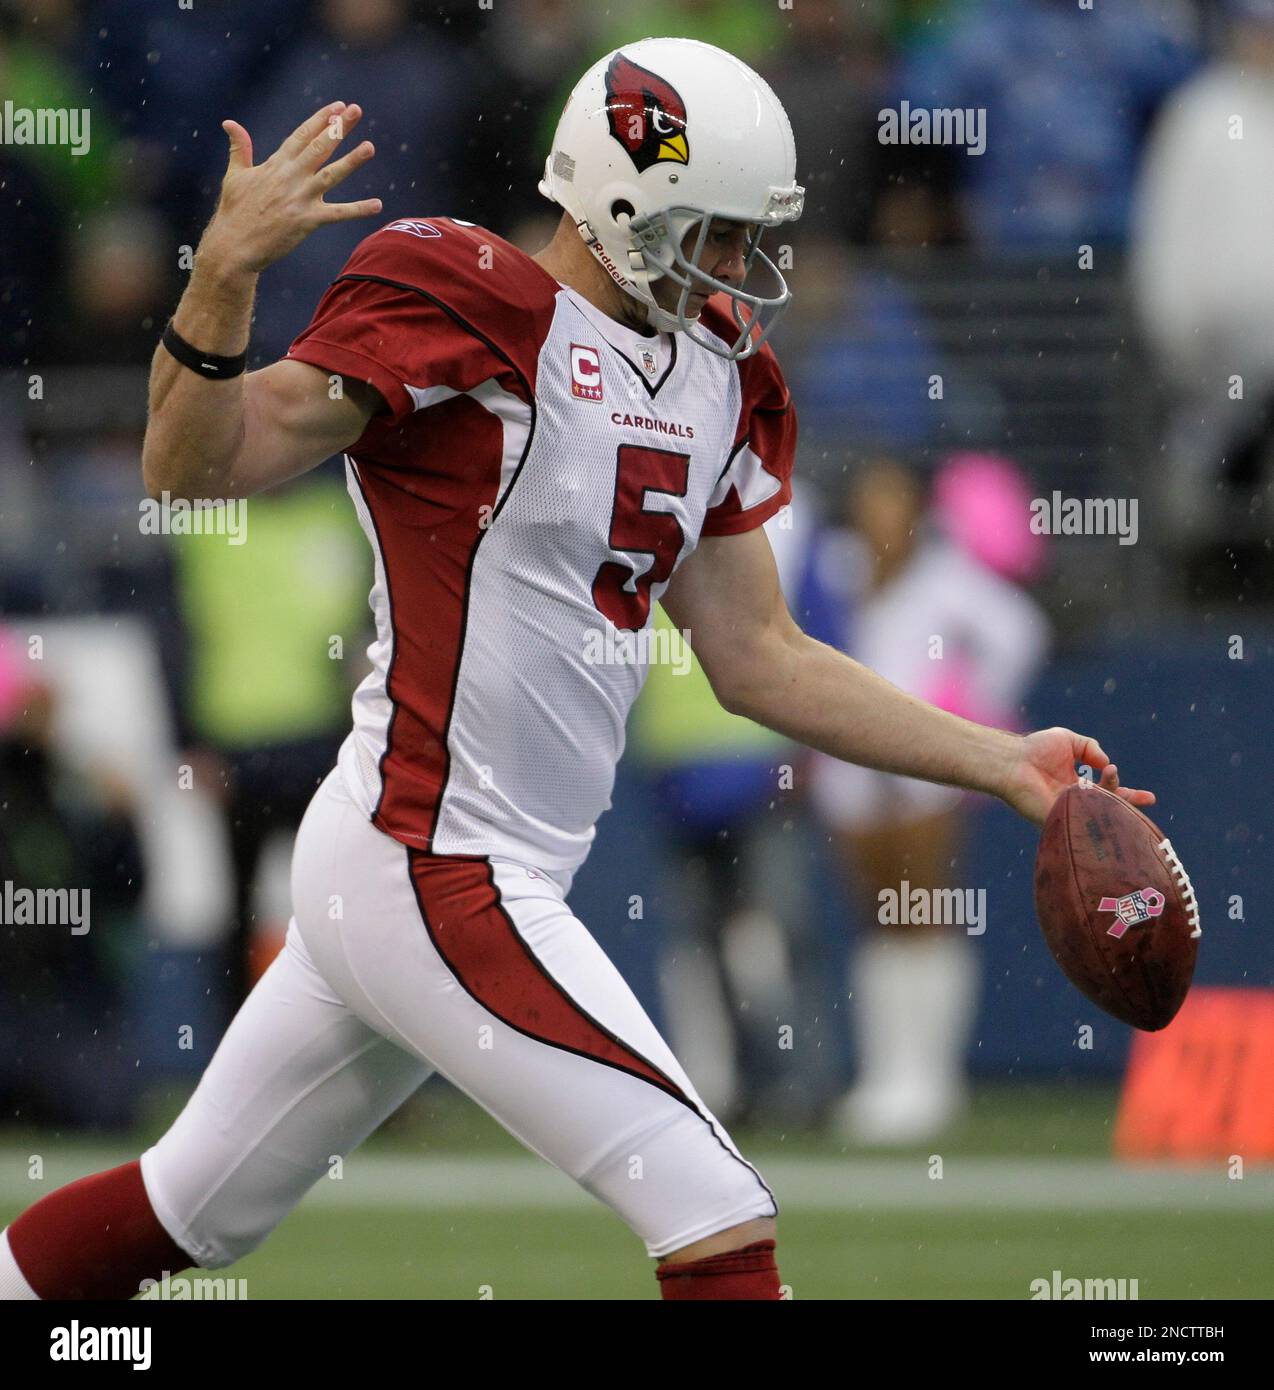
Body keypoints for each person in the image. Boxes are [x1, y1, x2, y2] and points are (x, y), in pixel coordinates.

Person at [0, 37, 1153, 1303]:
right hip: (434, 855)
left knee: (182, 1211)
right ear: (618, 198)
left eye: (746, 235)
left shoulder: (723, 371)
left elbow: (759, 655)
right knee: (716, 1213)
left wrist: (1003, 761)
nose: (735, 265)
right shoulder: (465, 296)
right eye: (712, 232)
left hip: (439, 859)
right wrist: (222, 273)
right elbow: (191, 469)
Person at [810, 455, 1051, 1144]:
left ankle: (931, 1080)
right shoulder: (838, 570)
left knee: (923, 912)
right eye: (869, 500)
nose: (880, 515)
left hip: (924, 771)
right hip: (850, 772)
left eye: (893, 500)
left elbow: (1020, 635)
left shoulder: (948, 577)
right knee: (875, 919)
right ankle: (885, 1078)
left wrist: (973, 716)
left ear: (918, 511)